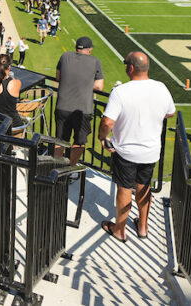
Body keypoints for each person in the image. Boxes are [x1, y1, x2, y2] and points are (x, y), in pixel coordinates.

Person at [98, 51, 176, 243]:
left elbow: (107, 121)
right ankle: (143, 227)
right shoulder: (161, 87)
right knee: (144, 187)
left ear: (131, 68)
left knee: (125, 189)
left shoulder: (121, 92)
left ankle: (120, 230)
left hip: (126, 151)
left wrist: (102, 137)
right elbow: (170, 112)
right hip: (150, 150)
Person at [55, 36, 105, 166]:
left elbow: (58, 77)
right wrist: (86, 83)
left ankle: (56, 167)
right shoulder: (95, 61)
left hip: (62, 106)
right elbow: (99, 86)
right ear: (90, 50)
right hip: (82, 110)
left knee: (60, 140)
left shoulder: (65, 56)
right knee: (79, 142)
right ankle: (70, 168)